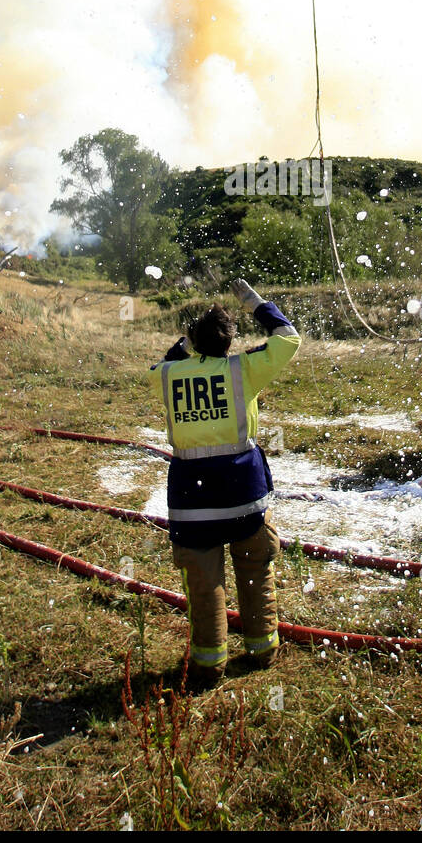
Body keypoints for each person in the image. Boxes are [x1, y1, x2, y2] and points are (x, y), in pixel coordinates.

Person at [149, 277, 301, 683]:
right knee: (255, 570)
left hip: (191, 500)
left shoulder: (167, 375)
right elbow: (288, 339)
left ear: (195, 342)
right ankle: (262, 648)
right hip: (244, 496)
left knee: (203, 583)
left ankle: (209, 661)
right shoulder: (242, 370)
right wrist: (253, 302)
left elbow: (166, 360)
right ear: (230, 343)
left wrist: (187, 343)